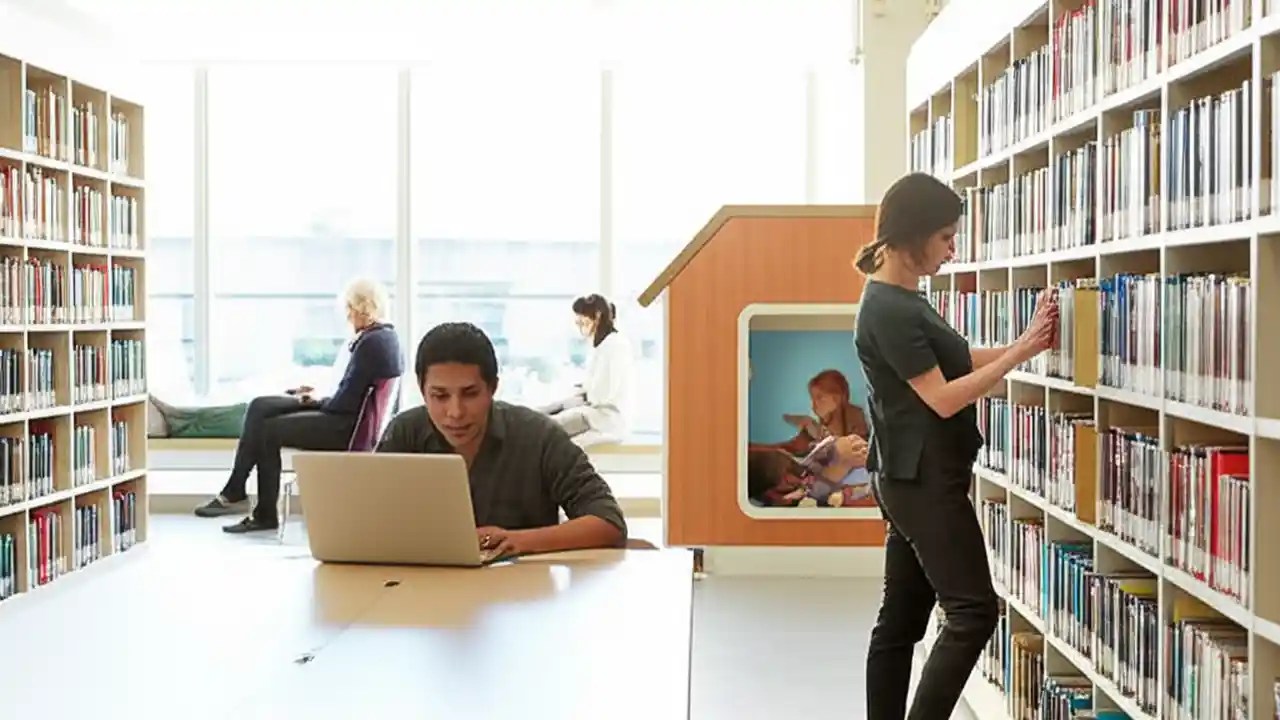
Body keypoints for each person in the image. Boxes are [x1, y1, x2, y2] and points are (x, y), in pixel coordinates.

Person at [854, 172, 1056, 720]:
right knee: (972, 611)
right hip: (922, 483)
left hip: (906, 475)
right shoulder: (889, 309)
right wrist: (1019, 354)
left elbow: (956, 362)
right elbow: (942, 399)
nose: (952, 249)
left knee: (901, 620)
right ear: (913, 234)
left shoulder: (900, 299)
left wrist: (1025, 343)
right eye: (945, 236)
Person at [377, 321, 627, 559]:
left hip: (521, 593)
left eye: (470, 394)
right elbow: (367, 522)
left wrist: (517, 541)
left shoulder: (537, 435)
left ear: (493, 388)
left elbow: (608, 523)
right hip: (418, 589)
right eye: (440, 396)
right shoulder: (404, 432)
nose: (455, 412)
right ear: (422, 391)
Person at [194, 278, 405, 533]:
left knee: (268, 430)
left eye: (350, 308)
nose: (348, 316)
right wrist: (315, 396)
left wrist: (314, 400)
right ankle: (237, 489)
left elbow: (344, 403)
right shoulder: (384, 337)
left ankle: (261, 512)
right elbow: (351, 392)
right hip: (345, 415)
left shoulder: (370, 343)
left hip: (343, 427)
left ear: (363, 308)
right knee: (259, 406)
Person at [539, 294, 633, 447]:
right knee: (544, 414)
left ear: (597, 317)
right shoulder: (602, 346)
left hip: (605, 418)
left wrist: (584, 396)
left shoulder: (614, 346)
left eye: (583, 322)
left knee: (544, 428)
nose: (581, 328)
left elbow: (603, 393)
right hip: (596, 412)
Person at [768, 369, 870, 455]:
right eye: (812, 399)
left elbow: (855, 450)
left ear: (837, 398)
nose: (813, 405)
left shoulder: (857, 416)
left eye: (820, 398)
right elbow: (792, 447)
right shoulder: (819, 424)